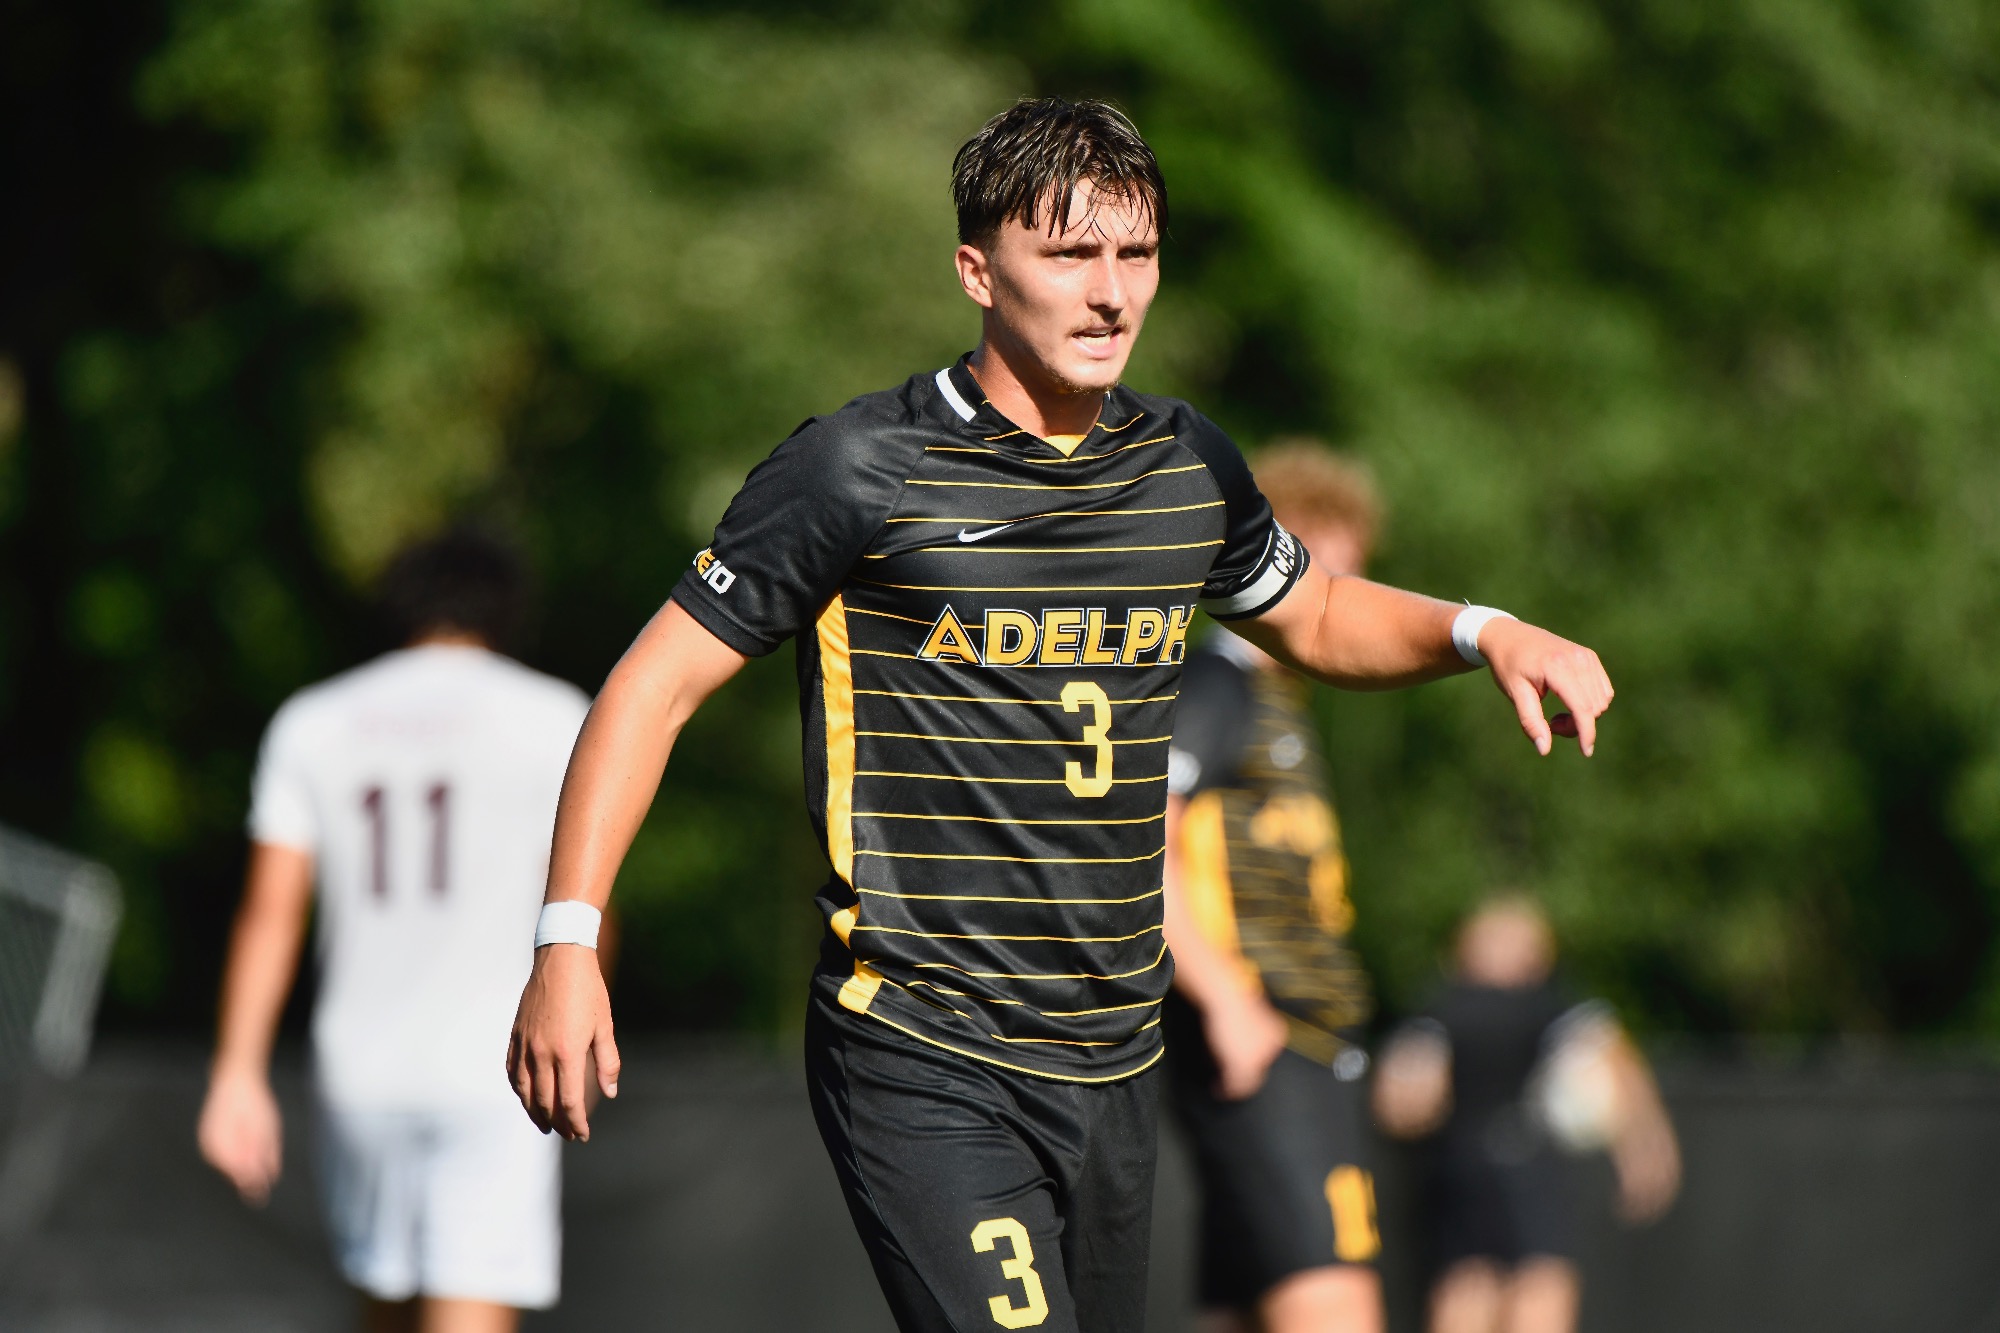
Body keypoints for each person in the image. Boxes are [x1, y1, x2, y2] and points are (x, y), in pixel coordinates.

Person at [506, 97, 1615, 1333]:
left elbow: (1316, 616)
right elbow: (647, 688)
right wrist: (566, 941)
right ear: (976, 271)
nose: (1110, 293)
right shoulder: (859, 466)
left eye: (1134, 254)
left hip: (1112, 1056)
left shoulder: (1184, 464)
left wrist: (1487, 630)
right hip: (921, 1042)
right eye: (1068, 253)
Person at [198, 530, 590, 1333]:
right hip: (501, 1067)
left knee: (382, 1299)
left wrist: (237, 1071)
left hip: (359, 1065)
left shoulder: (314, 720)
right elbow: (587, 911)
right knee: (470, 1302)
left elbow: (271, 914)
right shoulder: (559, 719)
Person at [1162, 444, 1388, 1333]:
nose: (1342, 597)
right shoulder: (1219, 683)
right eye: (1325, 569)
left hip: (1293, 1047)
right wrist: (1226, 1000)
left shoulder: (1282, 702)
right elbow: (1144, 846)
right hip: (1272, 1045)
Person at [1373, 897, 1680, 1333]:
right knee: (1530, 1282)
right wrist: (1648, 1145)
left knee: (1474, 1279)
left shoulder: (1442, 1006)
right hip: (1515, 1164)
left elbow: (1401, 1091)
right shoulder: (1537, 1005)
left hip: (1467, 1163)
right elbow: (1616, 1058)